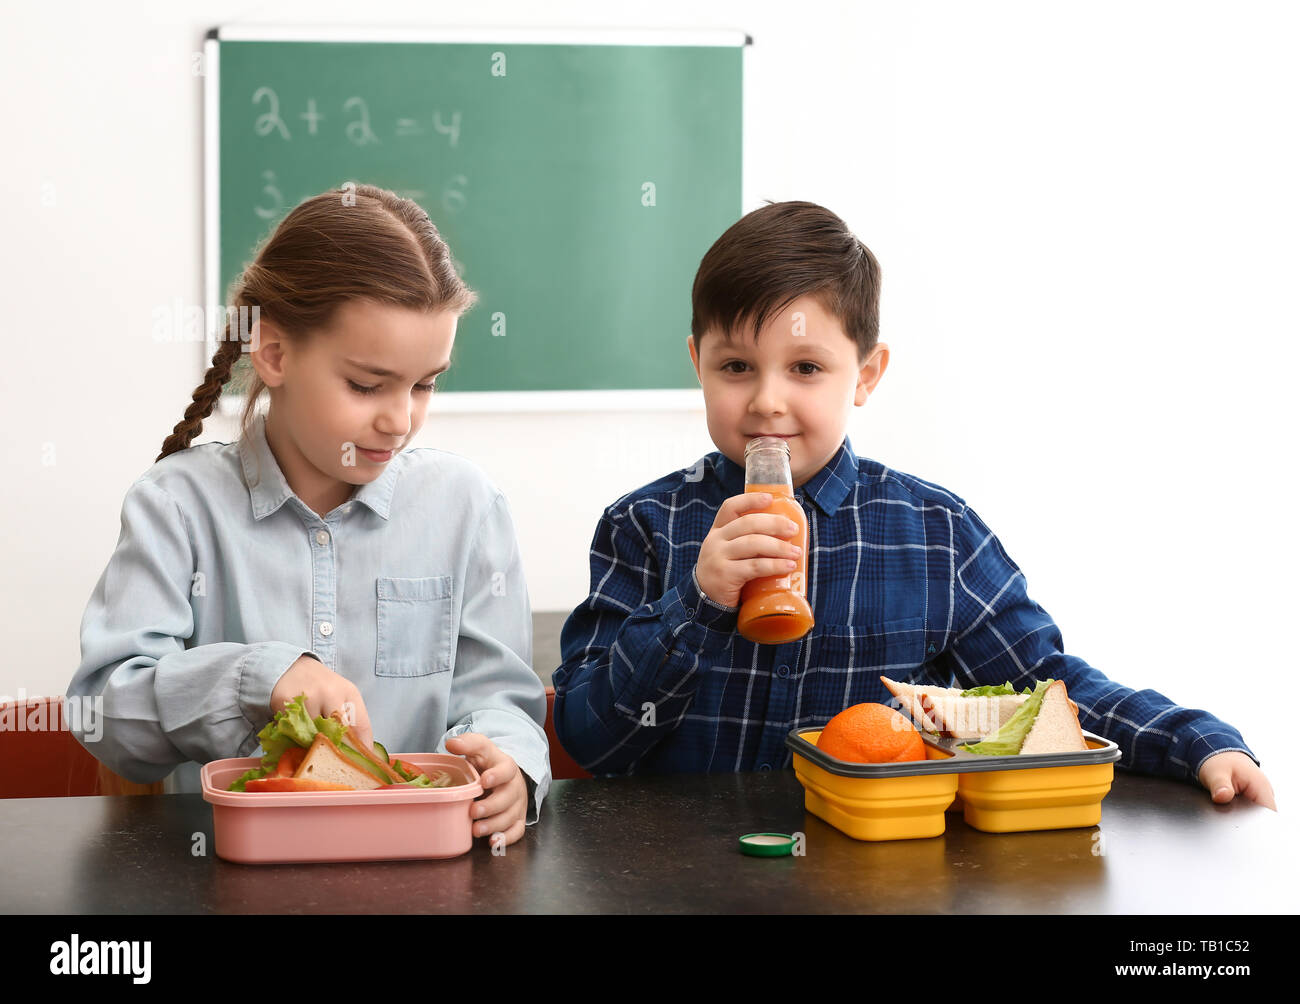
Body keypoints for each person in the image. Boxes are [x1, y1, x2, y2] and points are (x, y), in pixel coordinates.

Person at [553, 200, 1275, 810]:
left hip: (873, 880)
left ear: (865, 376)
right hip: (673, 882)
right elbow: (591, 741)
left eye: (806, 368)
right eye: (737, 367)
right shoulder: (644, 526)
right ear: (697, 365)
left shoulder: (937, 534)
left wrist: (1194, 740)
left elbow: (1043, 696)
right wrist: (699, 600)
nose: (767, 400)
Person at [70, 184, 549, 844]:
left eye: (425, 383)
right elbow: (105, 709)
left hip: (420, 872)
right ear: (273, 354)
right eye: (366, 384)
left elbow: (499, 697)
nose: (400, 418)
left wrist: (510, 766)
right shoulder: (176, 506)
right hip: (227, 878)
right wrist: (260, 678)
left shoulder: (466, 506)